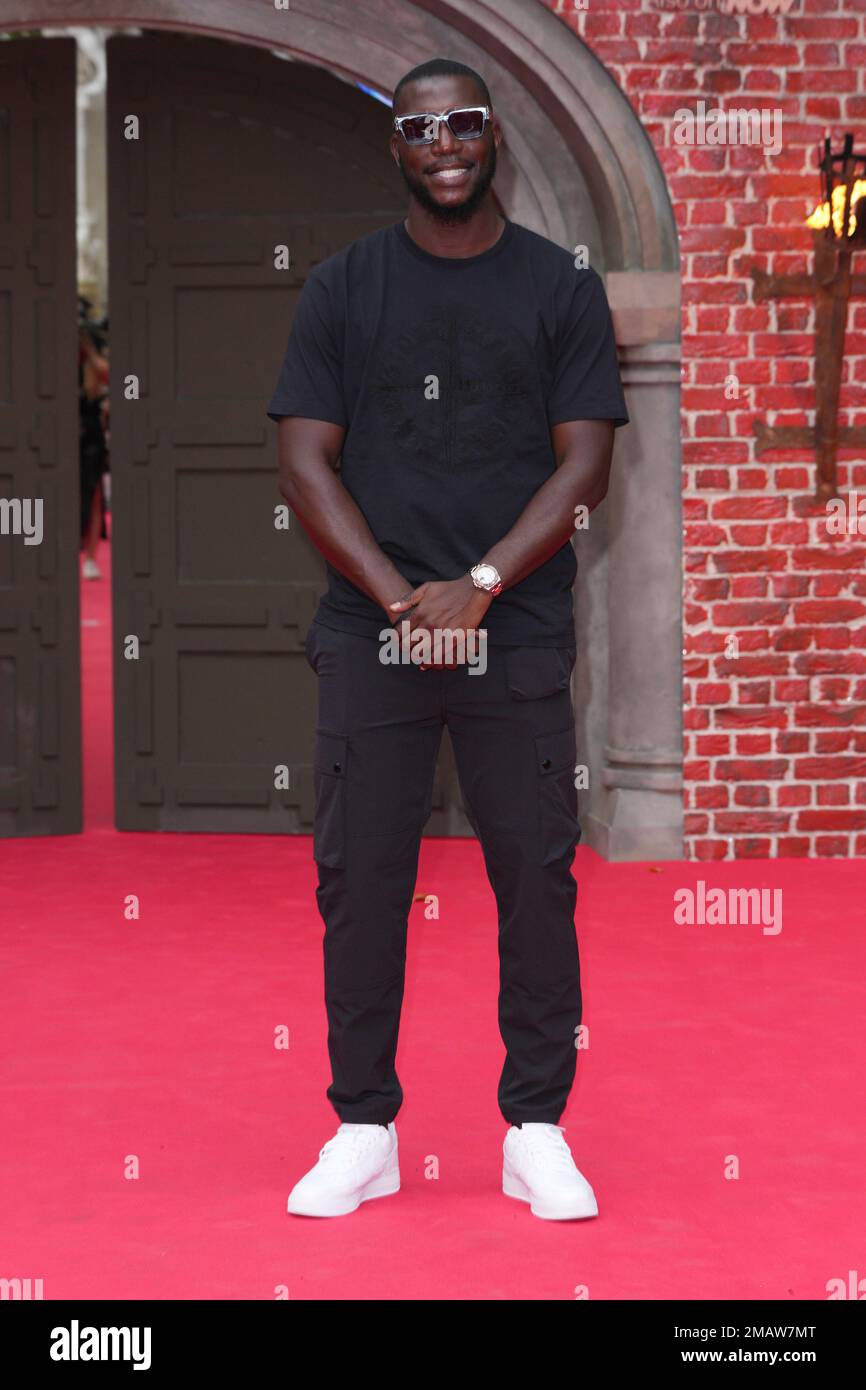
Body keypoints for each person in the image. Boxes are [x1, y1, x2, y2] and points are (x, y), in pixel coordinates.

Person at [266, 57, 629, 1221]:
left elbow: (585, 458)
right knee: (358, 881)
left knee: (533, 877)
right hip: (370, 632)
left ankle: (534, 1129)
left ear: (490, 140)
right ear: (396, 146)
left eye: (463, 123)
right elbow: (303, 458)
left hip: (513, 627)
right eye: (420, 127)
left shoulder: (556, 286)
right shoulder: (341, 288)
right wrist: (397, 600)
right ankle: (363, 1128)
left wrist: (473, 586)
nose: (444, 143)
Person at [79, 316, 110, 579]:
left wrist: (87, 350)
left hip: (90, 433)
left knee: (95, 496)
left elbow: (107, 374)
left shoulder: (91, 355)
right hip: (59, 431)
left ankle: (90, 557)